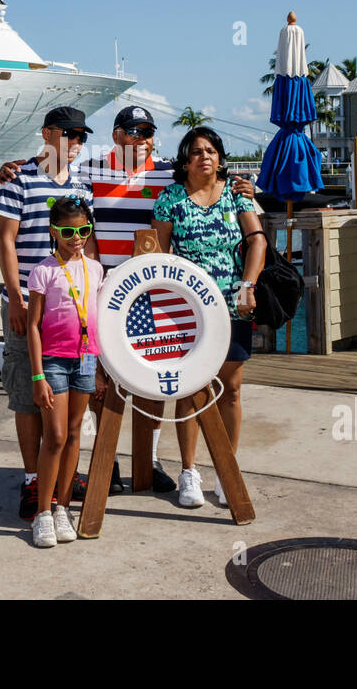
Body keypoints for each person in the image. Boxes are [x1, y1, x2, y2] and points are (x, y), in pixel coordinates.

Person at [0, 106, 256, 493]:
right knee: (103, 383)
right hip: (100, 295)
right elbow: (50, 175)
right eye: (133, 131)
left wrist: (244, 186)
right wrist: (11, 167)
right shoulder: (89, 173)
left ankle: (148, 460)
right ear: (116, 135)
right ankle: (107, 460)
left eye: (148, 131)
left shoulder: (169, 172)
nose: (142, 138)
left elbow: (208, 178)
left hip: (152, 296)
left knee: (151, 379)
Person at [152, 126, 266, 508]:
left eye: (212, 151)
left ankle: (226, 467)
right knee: (190, 390)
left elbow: (258, 241)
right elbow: (161, 255)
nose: (205, 157)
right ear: (185, 160)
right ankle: (189, 472)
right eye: (197, 151)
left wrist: (248, 285)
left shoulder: (237, 194)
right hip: (187, 311)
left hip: (233, 305)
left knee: (230, 390)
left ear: (220, 158)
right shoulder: (170, 198)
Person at [0, 106, 96, 522]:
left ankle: (62, 478)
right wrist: (16, 299)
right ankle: (33, 478)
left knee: (67, 399)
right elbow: (5, 239)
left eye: (80, 137)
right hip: (28, 303)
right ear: (46, 134)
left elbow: (86, 246)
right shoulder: (18, 178)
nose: (73, 143)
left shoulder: (84, 186)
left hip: (71, 310)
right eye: (67, 134)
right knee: (27, 393)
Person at [26, 196, 104, 547]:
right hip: (54, 361)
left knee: (74, 434)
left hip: (86, 359)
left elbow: (99, 319)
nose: (77, 237)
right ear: (53, 232)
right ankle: (43, 513)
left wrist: (100, 367)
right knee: (54, 436)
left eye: (83, 230)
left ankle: (63, 508)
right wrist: (38, 375)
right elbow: (32, 326)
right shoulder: (43, 270)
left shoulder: (96, 269)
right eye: (68, 231)